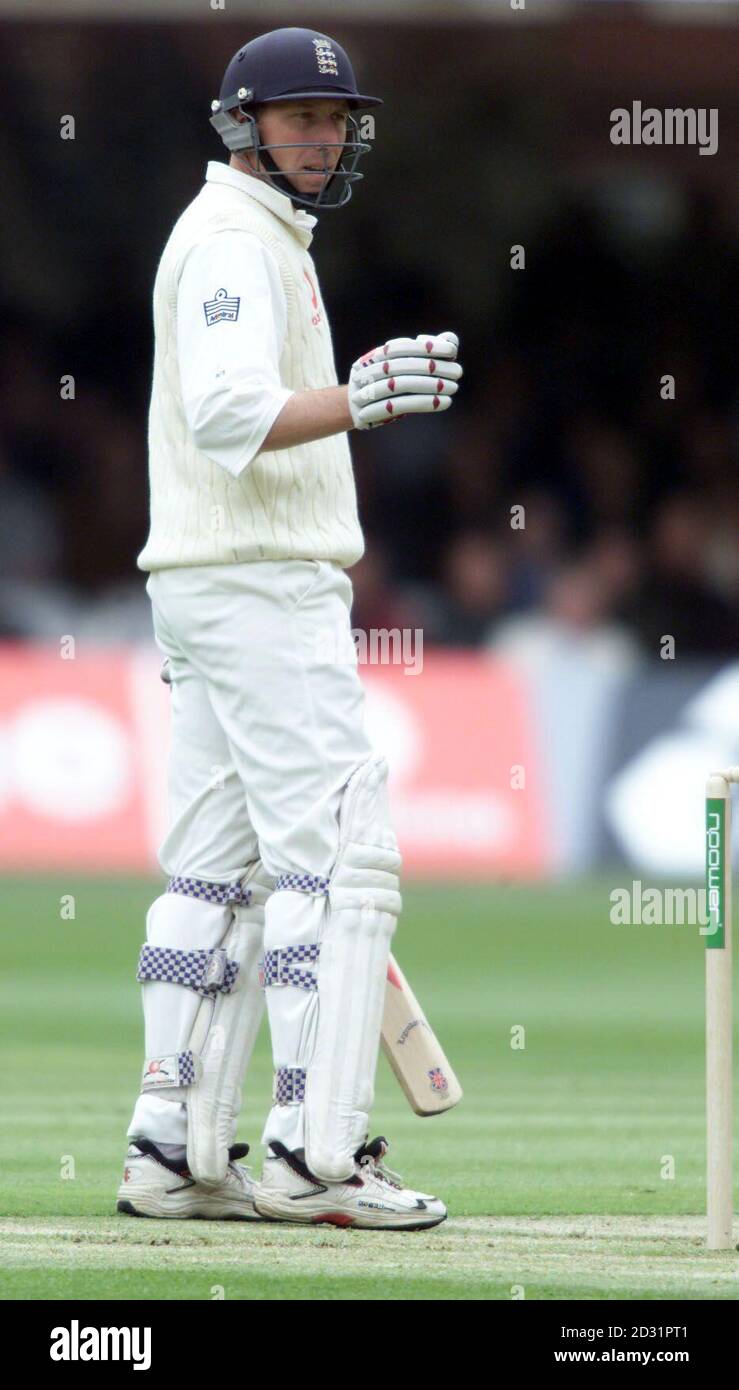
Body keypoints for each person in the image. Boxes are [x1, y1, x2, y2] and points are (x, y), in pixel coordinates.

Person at [117, 27, 463, 1230]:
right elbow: (224, 412)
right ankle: (317, 1155)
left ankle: (172, 1144)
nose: (322, 137)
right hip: (258, 582)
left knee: (220, 868)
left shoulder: (261, 239)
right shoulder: (228, 242)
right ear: (242, 126)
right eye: (298, 118)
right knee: (339, 854)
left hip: (220, 583)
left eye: (336, 119)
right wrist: (357, 400)